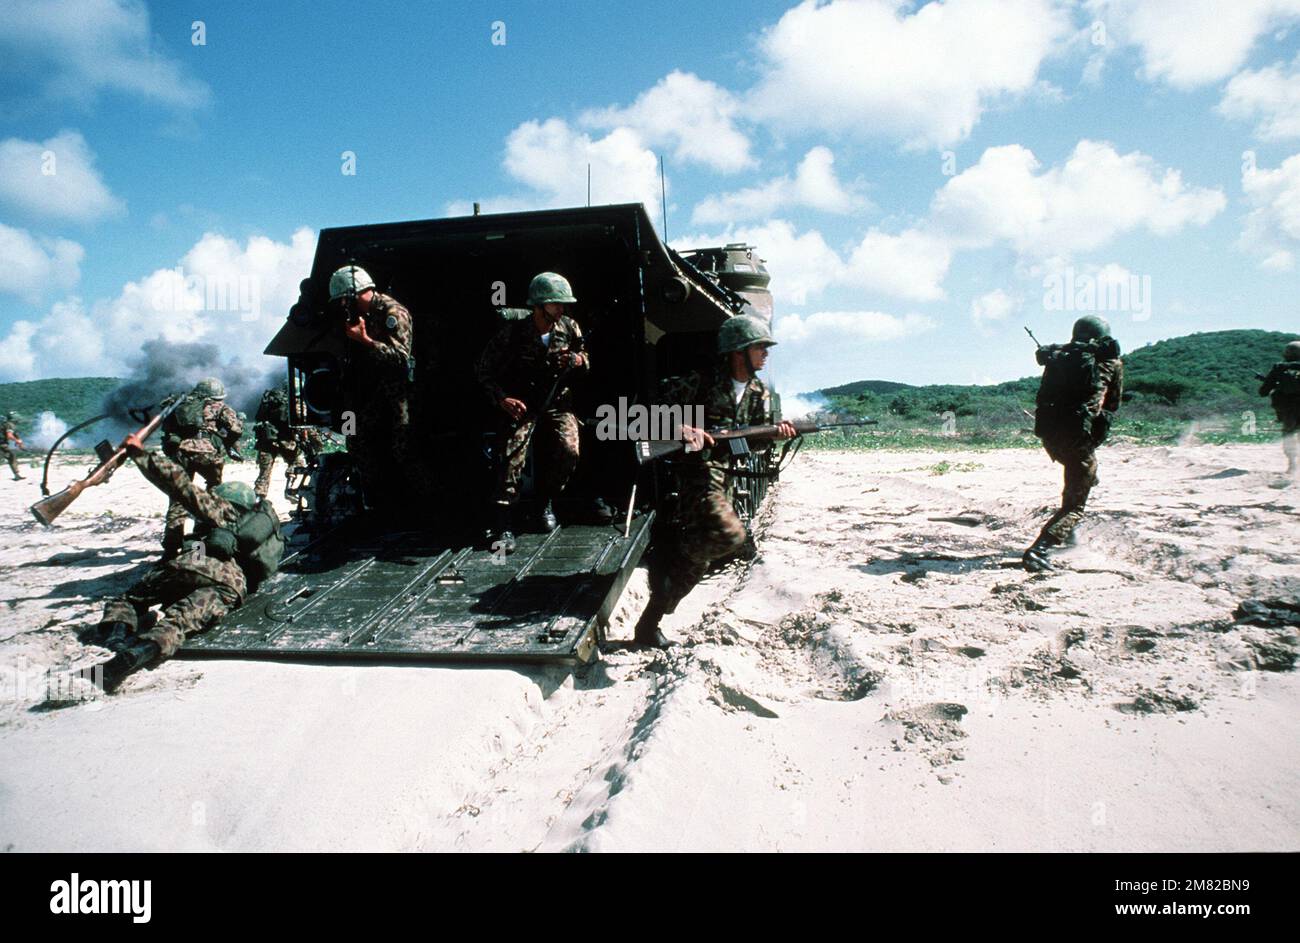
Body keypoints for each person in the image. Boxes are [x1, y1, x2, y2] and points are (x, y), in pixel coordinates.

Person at [634, 315, 796, 647]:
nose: (765, 354)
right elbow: (642, 414)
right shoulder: (700, 382)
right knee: (731, 535)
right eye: (759, 347)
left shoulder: (758, 393)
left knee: (697, 565)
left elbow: (754, 441)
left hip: (726, 480)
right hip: (698, 478)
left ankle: (648, 624)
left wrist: (777, 434)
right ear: (739, 351)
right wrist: (683, 429)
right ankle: (673, 556)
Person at [90, 433, 284, 691]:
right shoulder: (258, 526)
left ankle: (118, 636)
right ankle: (139, 653)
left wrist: (140, 454)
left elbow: (179, 483)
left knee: (131, 598)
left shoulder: (220, 508)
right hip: (230, 583)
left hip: (192, 562)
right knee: (179, 622)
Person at [475, 272, 589, 551]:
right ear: (539, 306)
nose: (561, 309)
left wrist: (575, 360)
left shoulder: (569, 328)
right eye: (555, 304)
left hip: (557, 403)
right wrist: (503, 399)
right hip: (522, 404)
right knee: (512, 457)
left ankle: (544, 503)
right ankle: (503, 525)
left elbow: (586, 359)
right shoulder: (512, 332)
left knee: (569, 449)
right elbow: (483, 371)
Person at [1023, 315, 1124, 572]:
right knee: (1075, 505)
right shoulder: (1110, 362)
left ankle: (1068, 536)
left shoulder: (1058, 358)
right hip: (1078, 436)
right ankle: (1040, 549)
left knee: (1083, 477)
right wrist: (1096, 435)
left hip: (1050, 435)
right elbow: (1112, 405)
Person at [330, 264, 415, 510]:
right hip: (380, 392)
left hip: (402, 393)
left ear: (353, 295)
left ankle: (424, 507)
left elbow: (401, 361)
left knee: (405, 449)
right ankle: (379, 504)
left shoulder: (393, 312)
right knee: (358, 439)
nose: (343, 306)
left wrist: (365, 341)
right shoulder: (366, 315)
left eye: (344, 300)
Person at [159, 378, 243, 558]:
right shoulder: (220, 407)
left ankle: (171, 547)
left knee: (179, 496)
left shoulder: (182, 404)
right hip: (209, 455)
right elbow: (236, 429)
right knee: (213, 493)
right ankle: (203, 536)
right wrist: (227, 439)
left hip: (181, 452)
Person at [253, 384, 325, 499]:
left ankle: (258, 498)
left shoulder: (269, 402)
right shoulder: (296, 405)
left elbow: (258, 418)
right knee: (296, 464)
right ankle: (290, 489)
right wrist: (318, 444)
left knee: (264, 473)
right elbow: (306, 427)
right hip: (286, 442)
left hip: (266, 441)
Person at [1258, 340, 1300, 479]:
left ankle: (1292, 465)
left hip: (1288, 409)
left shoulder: (1279, 367)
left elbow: (1263, 391)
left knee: (1289, 434)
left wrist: (1274, 385)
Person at [1, 412, 26, 480]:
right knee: (11, 456)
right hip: (2, 443)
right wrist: (17, 441)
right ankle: (16, 475)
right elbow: (10, 435)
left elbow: (14, 435)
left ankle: (16, 475)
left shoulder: (7, 424)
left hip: (2, 443)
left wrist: (19, 443)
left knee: (11, 456)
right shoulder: (10, 425)